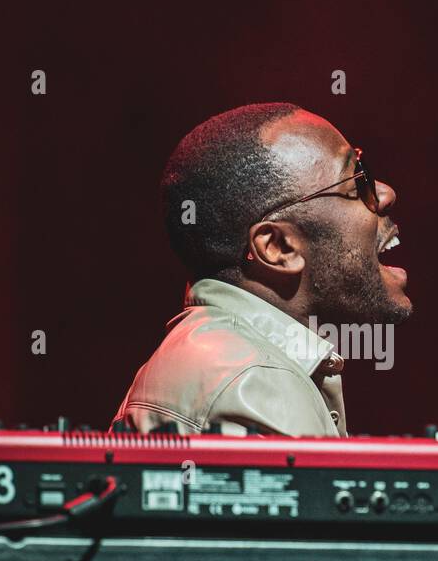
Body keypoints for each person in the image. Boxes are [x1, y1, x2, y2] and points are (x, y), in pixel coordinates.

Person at [112, 103, 411, 436]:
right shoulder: (254, 381)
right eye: (358, 182)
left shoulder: (229, 356)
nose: (385, 194)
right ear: (278, 248)